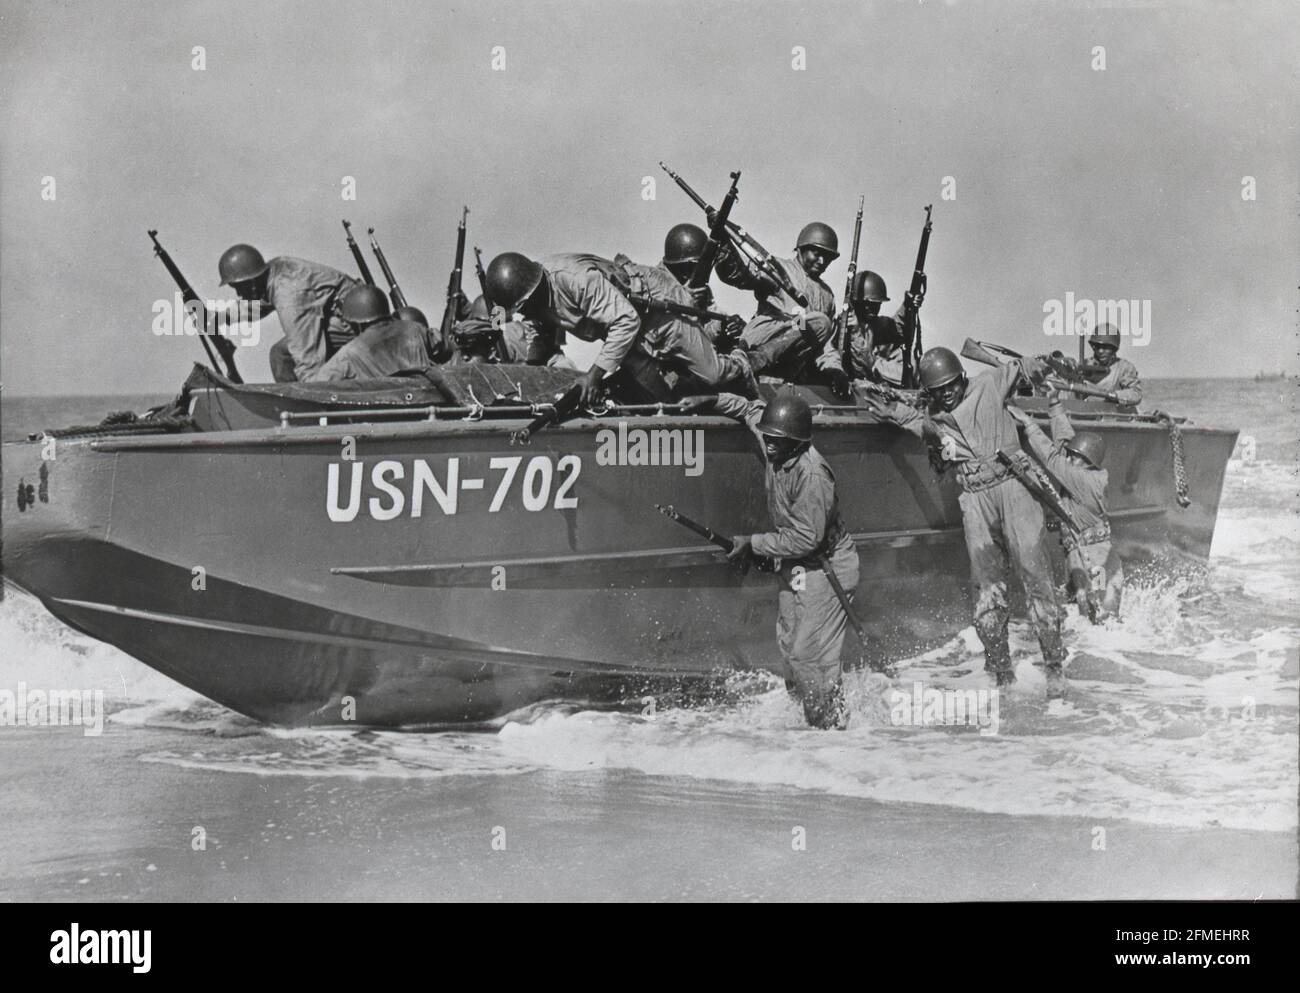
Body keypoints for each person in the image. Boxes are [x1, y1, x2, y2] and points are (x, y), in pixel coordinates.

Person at [864, 346, 1067, 698]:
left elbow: (1024, 367)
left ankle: (1054, 667)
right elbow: (904, 416)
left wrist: (1046, 361)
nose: (946, 394)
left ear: (961, 377)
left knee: (1036, 576)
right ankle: (1002, 674)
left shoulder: (990, 383)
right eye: (938, 390)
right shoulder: (930, 415)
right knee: (987, 589)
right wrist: (885, 401)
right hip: (974, 498)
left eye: (951, 385)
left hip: (1014, 487)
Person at [680, 391, 860, 729]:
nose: (770, 444)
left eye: (777, 440)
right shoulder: (775, 442)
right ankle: (810, 723)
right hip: (797, 565)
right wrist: (711, 400)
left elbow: (808, 537)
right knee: (790, 645)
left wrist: (754, 544)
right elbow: (749, 408)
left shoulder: (812, 475)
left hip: (827, 565)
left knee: (810, 654)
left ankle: (832, 731)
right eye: (768, 437)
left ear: (795, 441)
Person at [484, 251, 755, 405]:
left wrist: (593, 375)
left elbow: (626, 321)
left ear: (534, 292)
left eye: (524, 307)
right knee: (657, 399)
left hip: (658, 310)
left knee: (714, 373)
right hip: (623, 332)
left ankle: (741, 361)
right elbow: (537, 334)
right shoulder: (534, 301)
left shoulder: (577, 280)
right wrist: (530, 377)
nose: (524, 314)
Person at [1007, 392, 1123, 621]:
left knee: (1101, 608)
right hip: (1081, 553)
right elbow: (1065, 446)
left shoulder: (1086, 481)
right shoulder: (1083, 472)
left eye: (1075, 458)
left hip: (1097, 558)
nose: (1069, 460)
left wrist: (1029, 423)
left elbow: (1053, 459)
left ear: (1088, 462)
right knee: (1085, 605)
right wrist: (1054, 404)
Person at [713, 222, 849, 396]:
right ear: (801, 249)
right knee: (818, 322)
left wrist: (835, 370)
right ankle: (754, 359)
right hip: (760, 341)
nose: (822, 261)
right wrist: (722, 242)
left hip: (788, 365)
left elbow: (825, 344)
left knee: (817, 324)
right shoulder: (779, 268)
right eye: (817, 254)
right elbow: (739, 274)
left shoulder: (827, 296)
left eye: (828, 257)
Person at [217, 243, 358, 382]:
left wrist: (312, 390)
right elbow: (258, 306)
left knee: (290, 358)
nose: (239, 294)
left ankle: (304, 403)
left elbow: (307, 356)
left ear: (252, 282)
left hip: (356, 325)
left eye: (240, 287)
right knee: (280, 354)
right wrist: (219, 318)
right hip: (340, 317)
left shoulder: (290, 296)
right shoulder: (274, 275)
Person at [312, 285, 429, 380]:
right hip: (428, 402)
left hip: (388, 407)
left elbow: (319, 386)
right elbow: (442, 348)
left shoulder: (348, 354)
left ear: (357, 323)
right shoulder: (416, 329)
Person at [842, 270, 921, 388]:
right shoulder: (844, 327)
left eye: (877, 305)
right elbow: (862, 365)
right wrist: (855, 332)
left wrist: (908, 306)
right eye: (868, 304)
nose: (873, 309)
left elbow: (897, 328)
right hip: (854, 386)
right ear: (856, 302)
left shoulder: (875, 324)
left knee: (910, 364)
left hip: (875, 383)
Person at [1082, 323, 1142, 405]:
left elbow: (1135, 394)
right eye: (1097, 346)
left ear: (1114, 348)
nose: (1100, 351)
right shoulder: (1084, 364)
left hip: (1111, 413)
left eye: (1105, 347)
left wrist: (1114, 395)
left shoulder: (1123, 367)